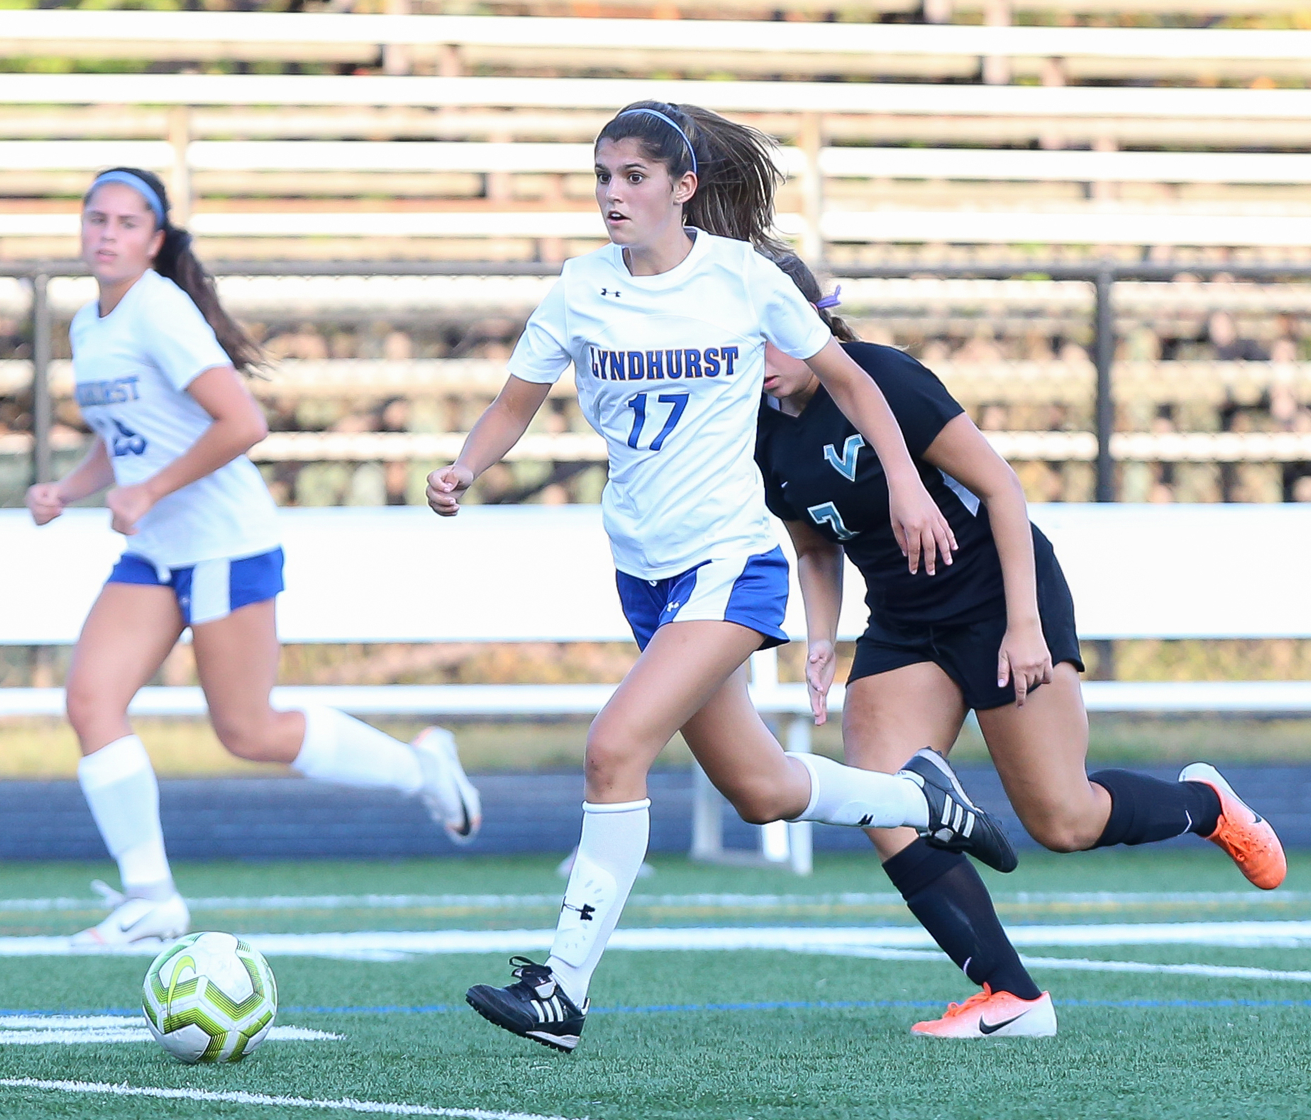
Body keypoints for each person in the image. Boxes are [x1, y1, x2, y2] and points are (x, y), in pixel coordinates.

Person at [427, 102, 1017, 1054]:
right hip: (644, 570)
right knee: (763, 789)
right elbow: (513, 404)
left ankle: (562, 993)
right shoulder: (579, 289)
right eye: (604, 177)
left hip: (729, 563)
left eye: (634, 177)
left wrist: (905, 482)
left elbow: (857, 382)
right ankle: (924, 802)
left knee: (613, 747)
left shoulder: (741, 279)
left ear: (683, 187)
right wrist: (465, 467)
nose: (614, 195)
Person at [753, 253, 1288, 1039]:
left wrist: (1026, 624)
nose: (752, 360)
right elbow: (814, 548)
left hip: (1000, 599)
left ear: (809, 324)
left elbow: (1002, 488)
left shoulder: (884, 381)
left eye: (766, 337)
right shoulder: (760, 428)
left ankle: (1207, 806)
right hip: (905, 622)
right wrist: (822, 640)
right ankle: (1014, 997)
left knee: (1063, 820)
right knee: (881, 800)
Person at [26, 167, 481, 948]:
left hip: (224, 544)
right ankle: (152, 898)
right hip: (159, 551)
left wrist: (148, 491)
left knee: (249, 731)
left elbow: (242, 422)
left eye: (127, 223)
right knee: (90, 703)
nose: (107, 233)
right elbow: (128, 432)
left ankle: (422, 769)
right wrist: (70, 489)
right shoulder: (89, 323)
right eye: (96, 218)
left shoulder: (159, 312)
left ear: (155, 240)